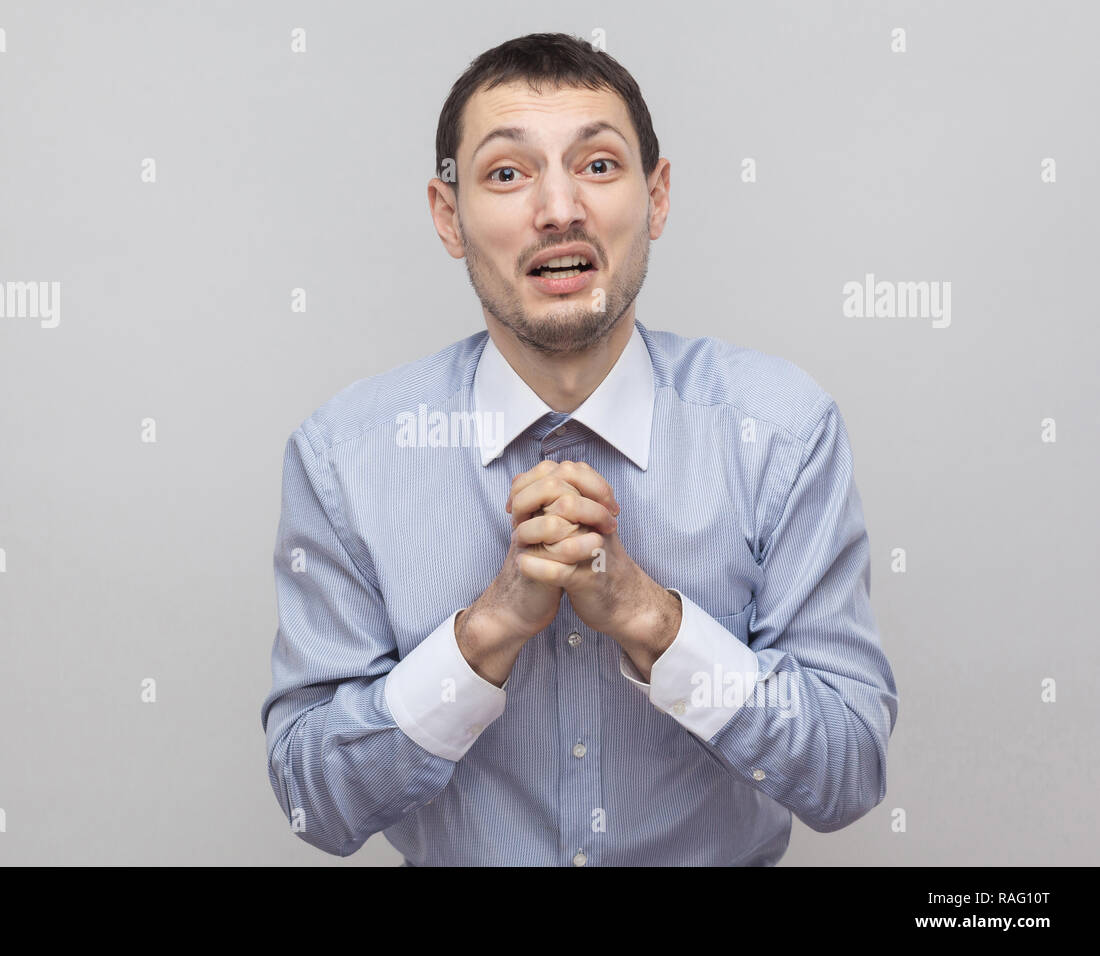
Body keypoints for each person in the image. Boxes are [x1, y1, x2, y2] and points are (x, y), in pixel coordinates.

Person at [260, 32, 898, 866]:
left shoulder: (781, 432)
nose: (559, 209)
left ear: (657, 195)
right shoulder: (344, 457)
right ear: (448, 216)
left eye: (598, 165)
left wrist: (651, 619)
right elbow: (315, 804)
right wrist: (484, 634)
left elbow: (847, 774)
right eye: (507, 173)